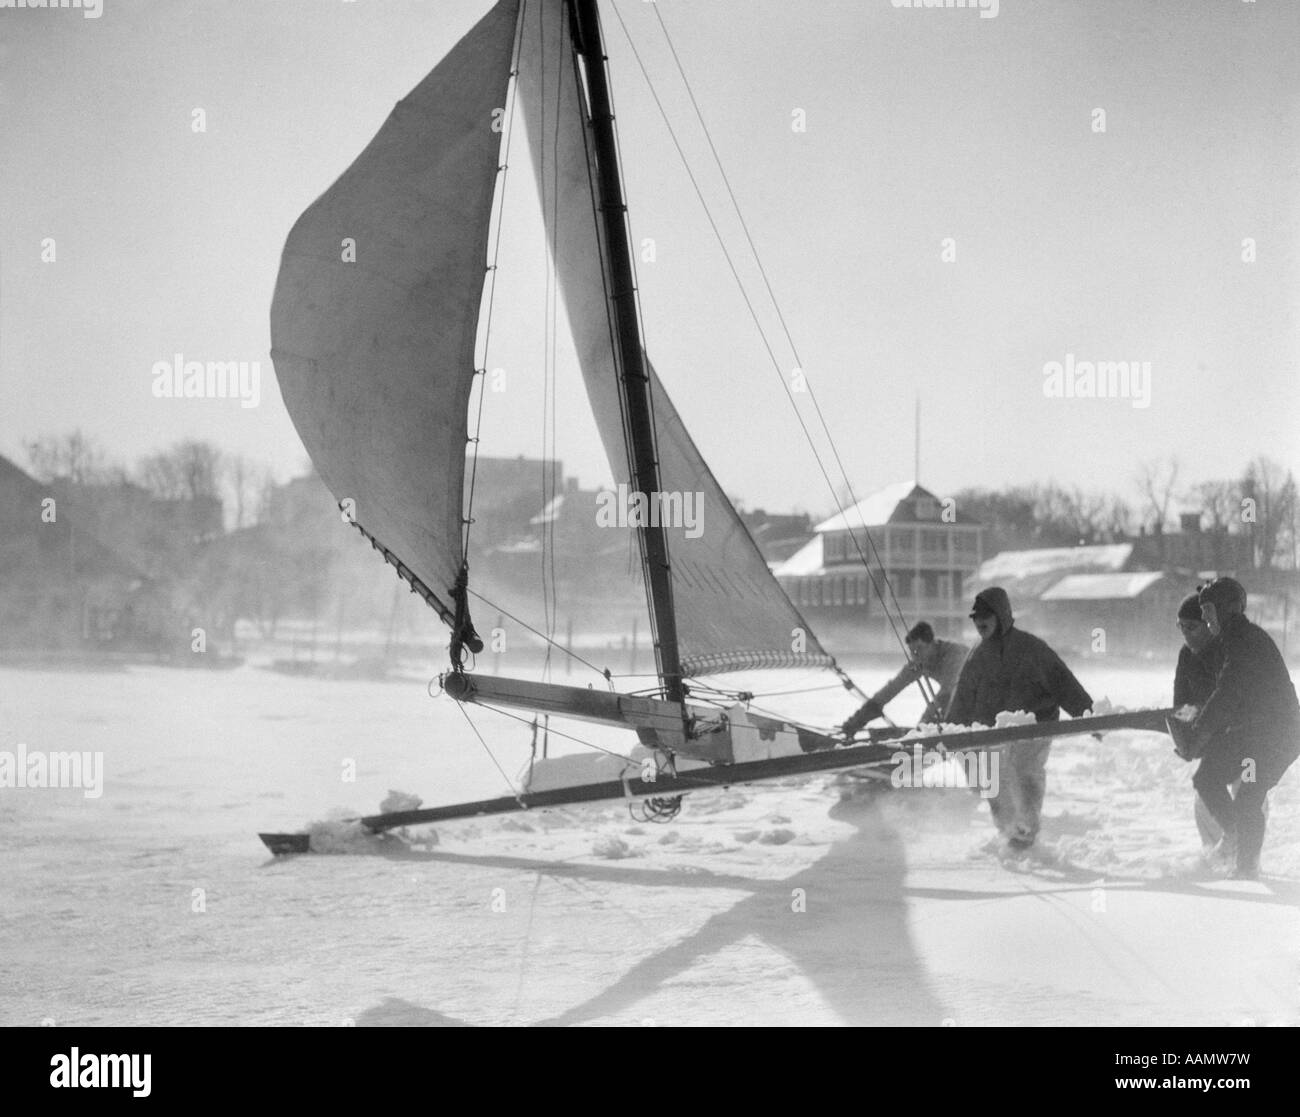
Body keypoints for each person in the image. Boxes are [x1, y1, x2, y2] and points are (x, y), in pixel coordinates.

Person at [945, 586, 1092, 850]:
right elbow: (963, 694)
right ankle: (1008, 830)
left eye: (985, 618)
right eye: (975, 619)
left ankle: (1026, 832)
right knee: (990, 779)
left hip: (1033, 726)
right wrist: (949, 731)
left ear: (1000, 616)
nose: (979, 624)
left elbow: (1062, 681)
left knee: (1025, 773)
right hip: (992, 730)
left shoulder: (1030, 648)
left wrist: (1087, 714)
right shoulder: (977, 655)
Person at [1184, 577, 1299, 879]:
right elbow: (1223, 692)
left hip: (1278, 735)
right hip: (1253, 732)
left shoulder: (1245, 640)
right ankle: (1235, 837)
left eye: (1209, 610)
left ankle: (1246, 871)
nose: (1206, 618)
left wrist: (1200, 732)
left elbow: (1228, 691)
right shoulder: (1230, 640)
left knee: (1249, 796)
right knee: (1208, 776)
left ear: (1226, 609)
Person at [1170, 592, 1227, 850]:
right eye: (1180, 626)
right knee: (1205, 793)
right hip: (1210, 735)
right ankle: (1215, 852)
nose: (1185, 633)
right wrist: (1184, 736)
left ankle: (1246, 848)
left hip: (1245, 733)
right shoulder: (1186, 654)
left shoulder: (1229, 650)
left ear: (1207, 624)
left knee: (1249, 791)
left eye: (1191, 626)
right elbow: (1182, 702)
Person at [840, 621, 969, 735]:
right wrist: (856, 722)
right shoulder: (917, 663)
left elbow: (947, 693)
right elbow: (889, 691)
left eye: (919, 649)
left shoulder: (954, 655)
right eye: (912, 651)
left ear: (933, 644)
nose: (915, 656)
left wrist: (922, 727)